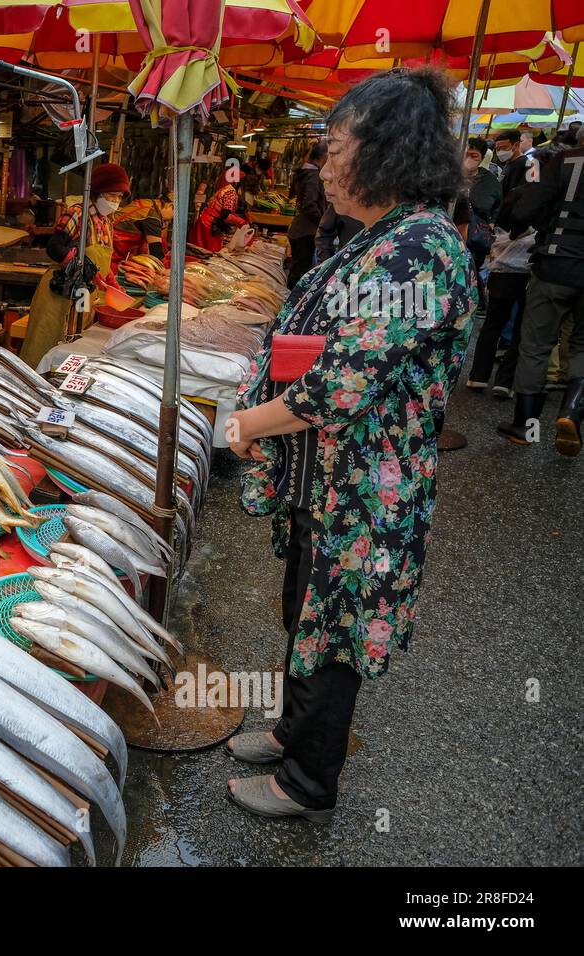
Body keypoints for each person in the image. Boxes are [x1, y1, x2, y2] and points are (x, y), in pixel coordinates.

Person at [222, 68, 476, 822]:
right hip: (325, 481)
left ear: (386, 152)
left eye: (334, 149)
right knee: (306, 607)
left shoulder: (419, 250)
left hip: (364, 485)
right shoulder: (387, 237)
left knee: (333, 626)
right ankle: (292, 732)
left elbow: (340, 384)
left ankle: (309, 781)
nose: (324, 167)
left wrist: (245, 424)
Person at [496, 138, 584, 456]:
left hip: (556, 266)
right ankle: (570, 412)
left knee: (535, 346)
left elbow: (525, 208)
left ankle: (527, 427)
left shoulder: (565, 161)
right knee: (581, 345)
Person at [18, 162, 128, 368]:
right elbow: (54, 246)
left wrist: (110, 279)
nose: (115, 201)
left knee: (76, 339)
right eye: (111, 195)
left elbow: (102, 259)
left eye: (119, 197)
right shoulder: (79, 212)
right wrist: (79, 265)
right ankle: (29, 383)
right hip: (59, 291)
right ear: (97, 192)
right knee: (44, 342)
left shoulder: (106, 221)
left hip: (83, 293)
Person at [466, 188, 534, 396]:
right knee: (521, 329)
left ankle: (478, 376)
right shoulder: (543, 202)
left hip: (502, 270)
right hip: (528, 272)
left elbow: (497, 232)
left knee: (492, 323)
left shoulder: (514, 197)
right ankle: (504, 382)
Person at [460, 136, 502, 312]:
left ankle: (470, 304)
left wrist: (490, 225)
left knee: (470, 271)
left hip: (476, 238)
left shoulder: (490, 181)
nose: (469, 159)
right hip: (453, 232)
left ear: (482, 157)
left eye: (474, 156)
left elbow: (497, 207)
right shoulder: (447, 176)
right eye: (466, 154)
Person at [286, 140, 329, 287]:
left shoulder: (303, 172)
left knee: (298, 269)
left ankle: (289, 300)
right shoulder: (312, 175)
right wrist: (323, 221)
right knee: (300, 272)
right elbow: (309, 204)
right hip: (305, 231)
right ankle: (290, 304)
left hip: (299, 229)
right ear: (324, 156)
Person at [187, 169, 247, 254]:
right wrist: (242, 222)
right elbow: (225, 214)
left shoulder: (224, 189)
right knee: (210, 253)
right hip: (210, 225)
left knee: (199, 251)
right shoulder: (231, 192)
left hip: (204, 220)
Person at [493, 129, 529, 195]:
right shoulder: (509, 162)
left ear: (516, 145)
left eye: (503, 148)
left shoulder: (523, 164)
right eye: (497, 149)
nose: (500, 152)